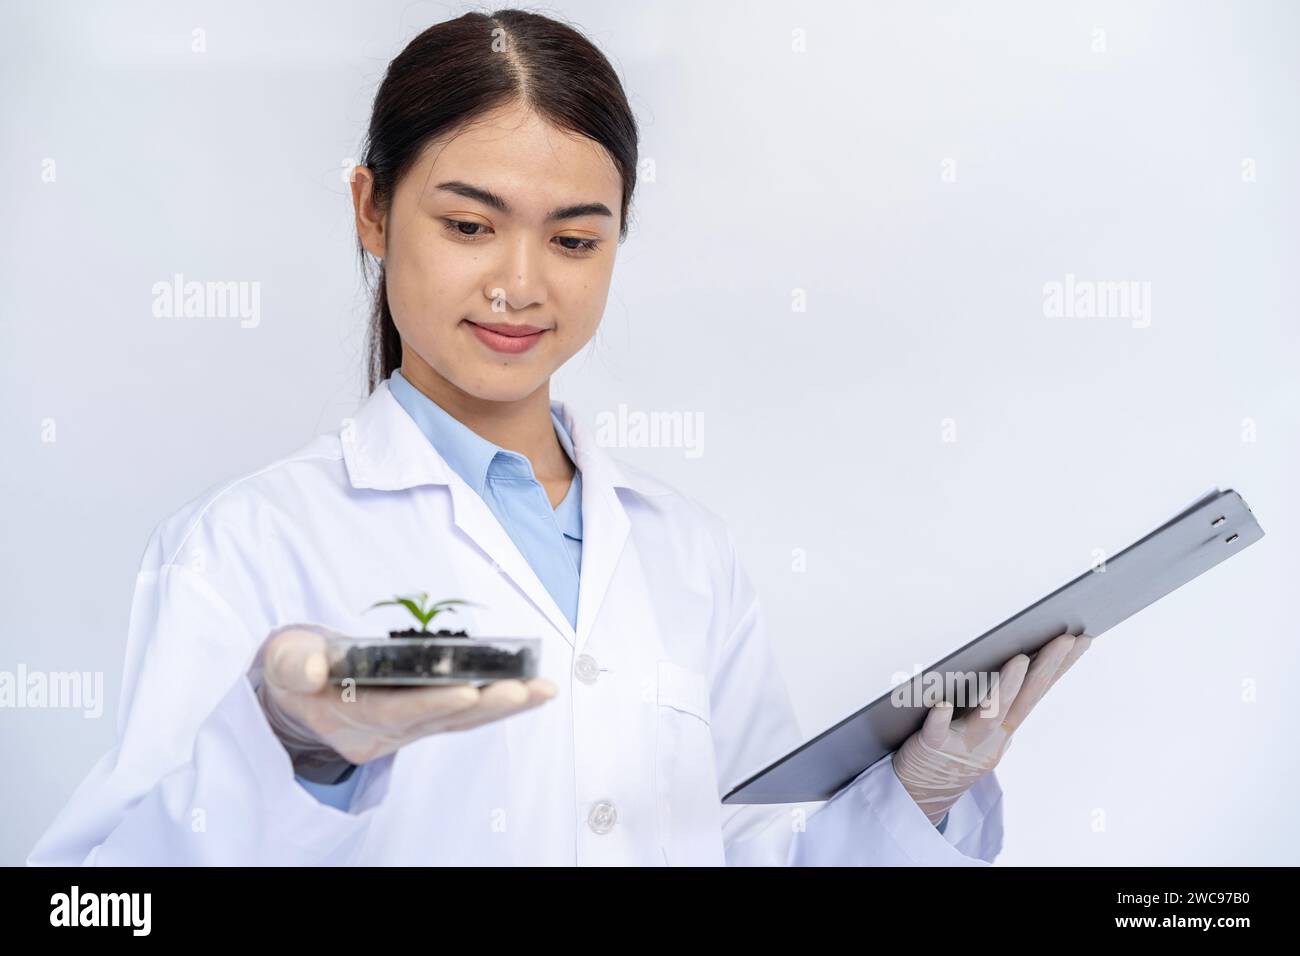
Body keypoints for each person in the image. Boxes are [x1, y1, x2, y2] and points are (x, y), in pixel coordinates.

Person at [27, 9, 1088, 867]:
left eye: (575, 237)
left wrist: (916, 798)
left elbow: (747, 847)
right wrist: (294, 746)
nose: (521, 285)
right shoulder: (245, 544)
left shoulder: (684, 552)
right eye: (469, 225)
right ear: (370, 207)